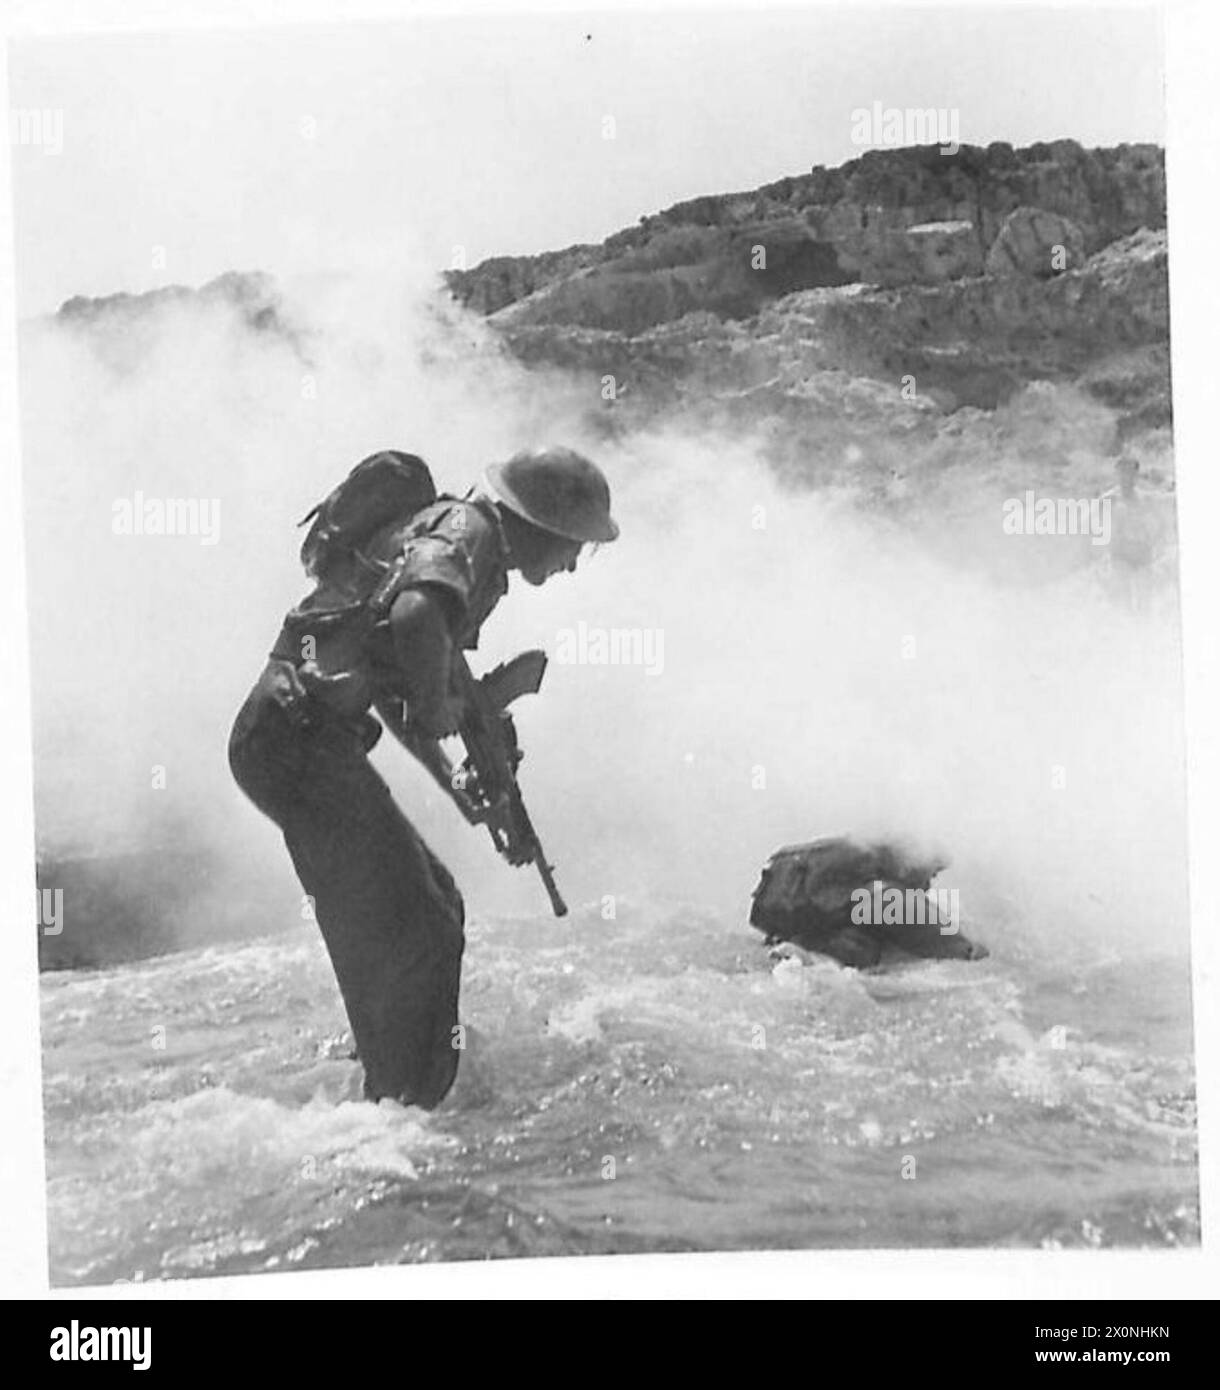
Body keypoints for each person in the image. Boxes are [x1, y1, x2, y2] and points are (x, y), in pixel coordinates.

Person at [228, 446, 618, 1108]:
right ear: (540, 523)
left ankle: (391, 1076)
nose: (574, 561)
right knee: (422, 927)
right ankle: (402, 1103)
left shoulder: (450, 535)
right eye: (573, 543)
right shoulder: (470, 534)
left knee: (435, 905)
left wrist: (458, 783)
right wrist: (444, 709)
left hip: (297, 739)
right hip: (297, 739)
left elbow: (395, 686)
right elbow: (414, 624)